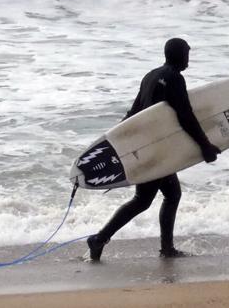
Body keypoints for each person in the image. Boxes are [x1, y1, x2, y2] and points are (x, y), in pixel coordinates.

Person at [87, 38, 221, 261]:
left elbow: (134, 112)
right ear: (178, 55)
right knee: (144, 200)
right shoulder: (175, 79)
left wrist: (118, 142)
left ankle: (165, 248)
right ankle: (100, 239)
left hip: (148, 146)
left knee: (169, 194)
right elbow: (185, 115)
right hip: (156, 150)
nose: (189, 58)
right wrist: (205, 146)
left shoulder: (150, 75)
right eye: (187, 53)